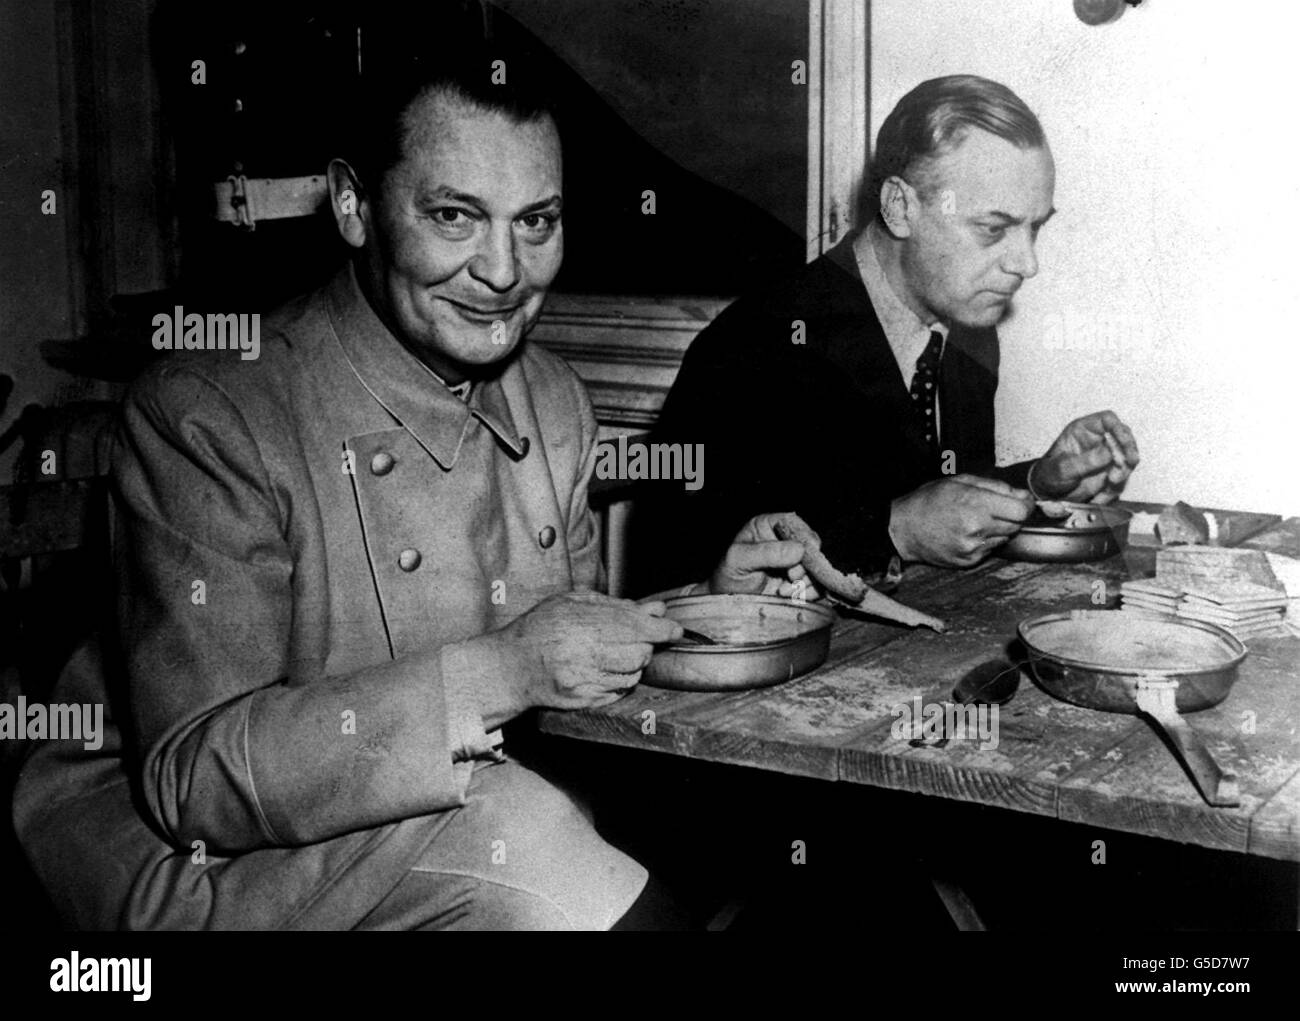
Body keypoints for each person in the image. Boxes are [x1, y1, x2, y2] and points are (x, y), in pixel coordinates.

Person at [11, 49, 809, 931]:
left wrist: (702, 611)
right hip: (222, 868)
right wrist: (504, 670)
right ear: (355, 206)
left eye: (536, 221)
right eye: (456, 216)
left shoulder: (554, 402)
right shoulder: (210, 413)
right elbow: (195, 779)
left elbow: (563, 651)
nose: (504, 270)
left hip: (470, 810)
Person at [632, 74, 1139, 595]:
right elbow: (677, 572)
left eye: (1035, 227)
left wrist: (1037, 483)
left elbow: (934, 497)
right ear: (899, 207)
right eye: (993, 228)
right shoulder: (753, 347)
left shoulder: (967, 328)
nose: (1026, 263)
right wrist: (894, 532)